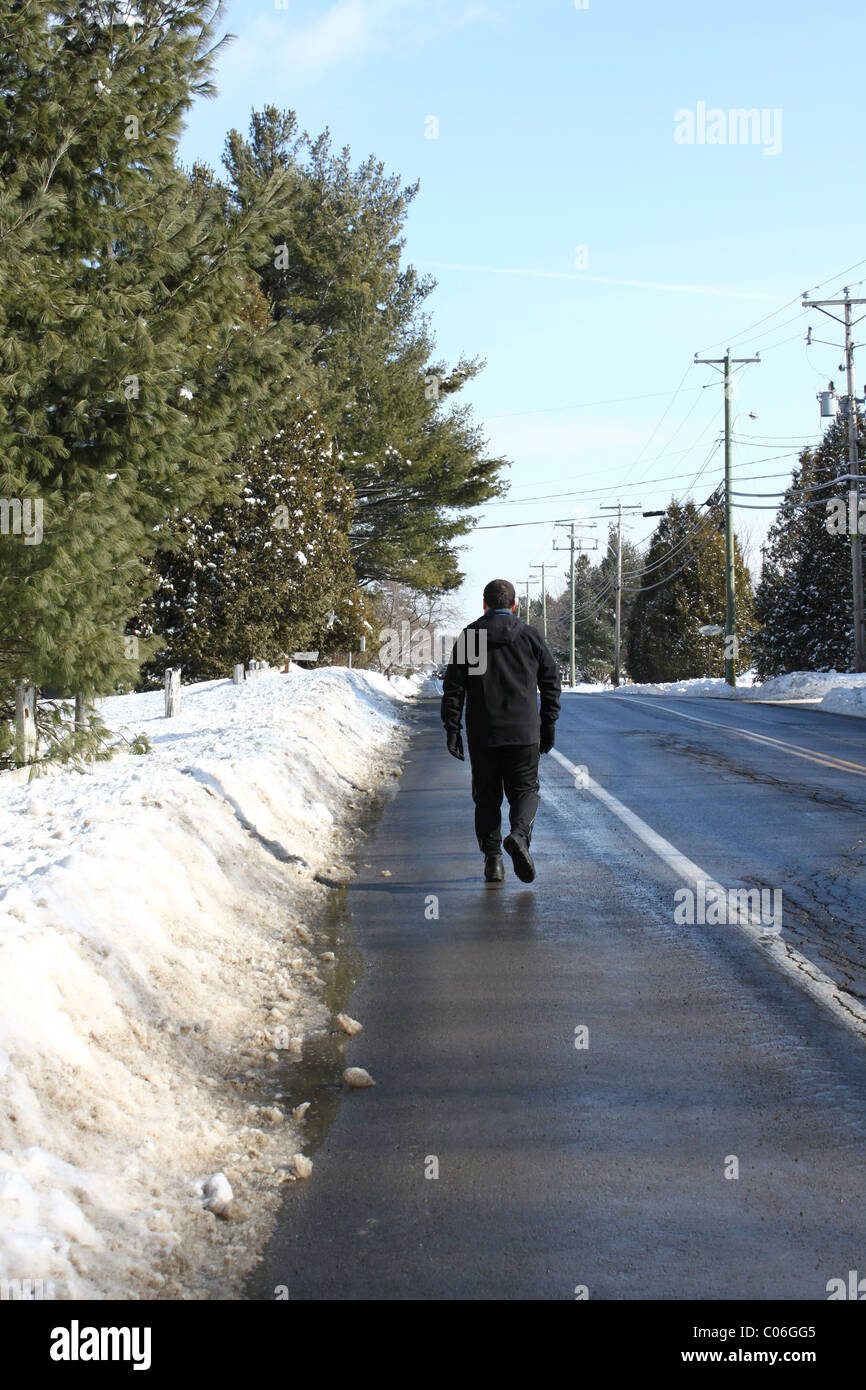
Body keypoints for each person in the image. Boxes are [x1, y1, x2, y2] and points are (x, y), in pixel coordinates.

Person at [440, 578, 561, 884]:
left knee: (486, 799)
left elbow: (454, 688)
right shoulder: (530, 637)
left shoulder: (472, 639)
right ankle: (519, 836)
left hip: (484, 733)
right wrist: (548, 724)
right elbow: (551, 683)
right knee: (525, 791)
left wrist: (452, 728)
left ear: (484, 604)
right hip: (523, 732)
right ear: (514, 605)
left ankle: (493, 861)